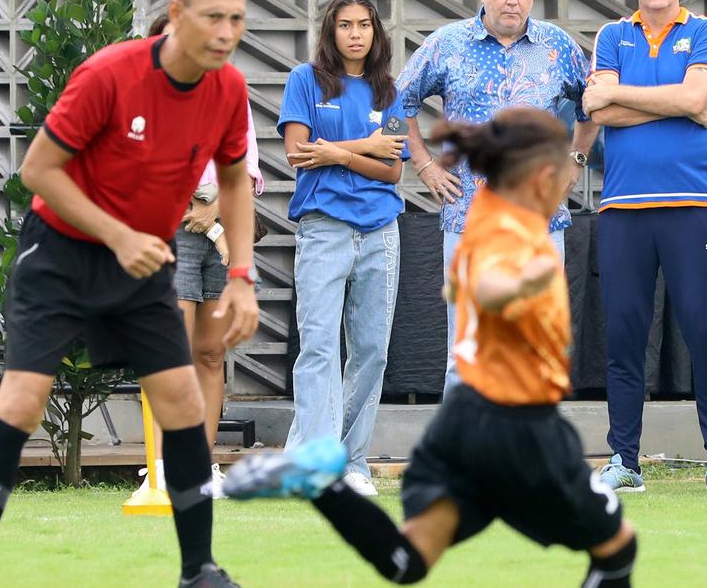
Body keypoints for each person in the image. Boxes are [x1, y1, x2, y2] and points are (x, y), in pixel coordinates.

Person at [223, 107, 637, 588]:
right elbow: (494, 282)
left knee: (407, 560)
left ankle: (324, 485)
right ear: (547, 173)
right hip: (522, 427)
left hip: (462, 423)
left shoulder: (484, 217)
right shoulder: (516, 235)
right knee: (618, 546)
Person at [0, 0, 258, 588]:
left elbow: (233, 178)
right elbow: (37, 171)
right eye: (213, 17)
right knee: (23, 399)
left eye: (238, 18)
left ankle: (200, 569)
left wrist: (242, 273)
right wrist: (117, 235)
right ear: (176, 16)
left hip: (142, 262)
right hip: (61, 256)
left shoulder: (228, 89)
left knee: (179, 399)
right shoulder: (109, 73)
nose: (227, 32)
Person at [396, 0, 600, 395]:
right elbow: (396, 102)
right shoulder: (447, 45)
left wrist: (576, 159)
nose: (513, 0)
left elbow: (594, 107)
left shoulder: (558, 48)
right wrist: (425, 165)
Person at [585, 0, 707, 492]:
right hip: (623, 207)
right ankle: (625, 459)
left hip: (693, 203)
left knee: (706, 330)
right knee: (624, 335)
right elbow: (596, 110)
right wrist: (676, 104)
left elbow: (698, 99)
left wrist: (634, 97)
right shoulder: (610, 35)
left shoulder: (706, 30)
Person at [277, 0, 409, 498]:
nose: (355, 33)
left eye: (364, 25)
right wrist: (360, 148)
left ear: (376, 33)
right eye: (345, 25)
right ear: (330, 31)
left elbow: (393, 170)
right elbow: (298, 153)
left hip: (380, 230)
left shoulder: (391, 92)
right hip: (323, 226)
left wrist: (340, 154)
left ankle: (353, 461)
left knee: (371, 352)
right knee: (318, 347)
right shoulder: (303, 81)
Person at [132, 13, 267, 501]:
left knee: (210, 354)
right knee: (170, 352)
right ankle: (162, 465)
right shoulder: (141, 98)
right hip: (169, 231)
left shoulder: (227, 89)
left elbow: (248, 163)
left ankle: (200, 465)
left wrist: (215, 208)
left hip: (222, 230)